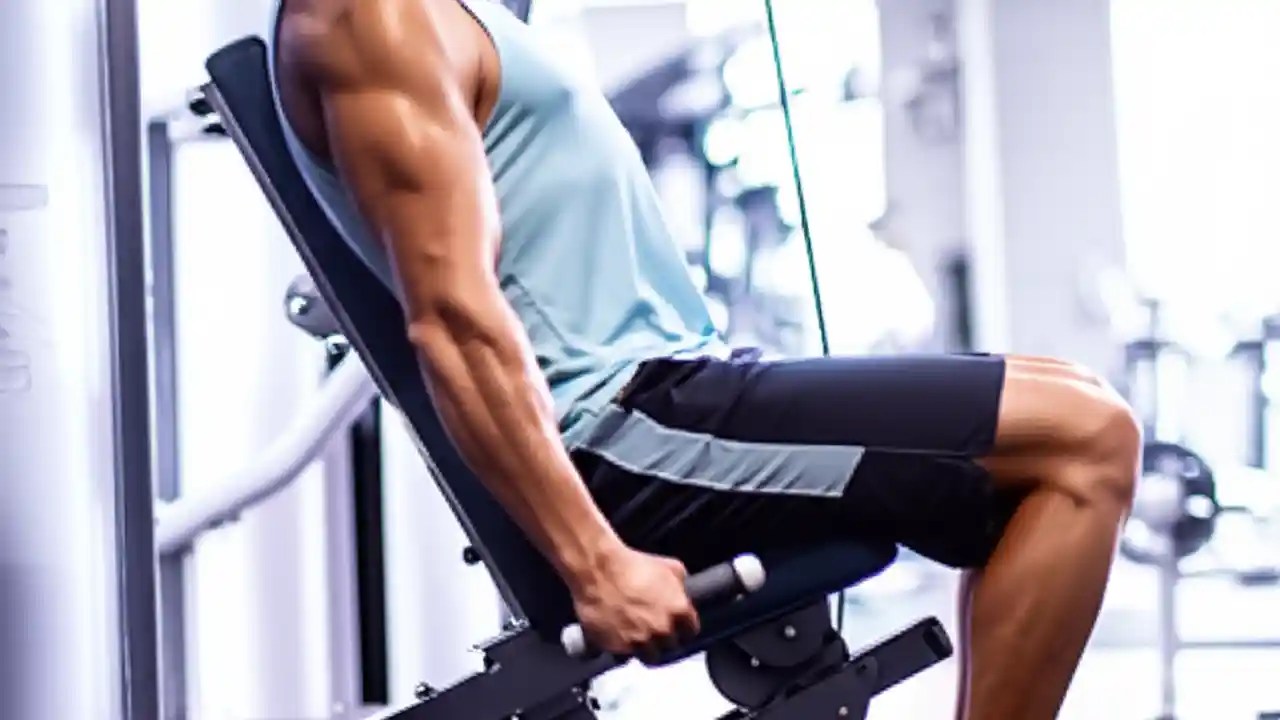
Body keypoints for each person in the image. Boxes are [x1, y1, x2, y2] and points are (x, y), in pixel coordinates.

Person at [269, 1, 1140, 717]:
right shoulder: (370, 19)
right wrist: (595, 563)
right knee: (1084, 439)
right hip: (617, 427)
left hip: (670, 391)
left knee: (1075, 403)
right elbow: (453, 319)